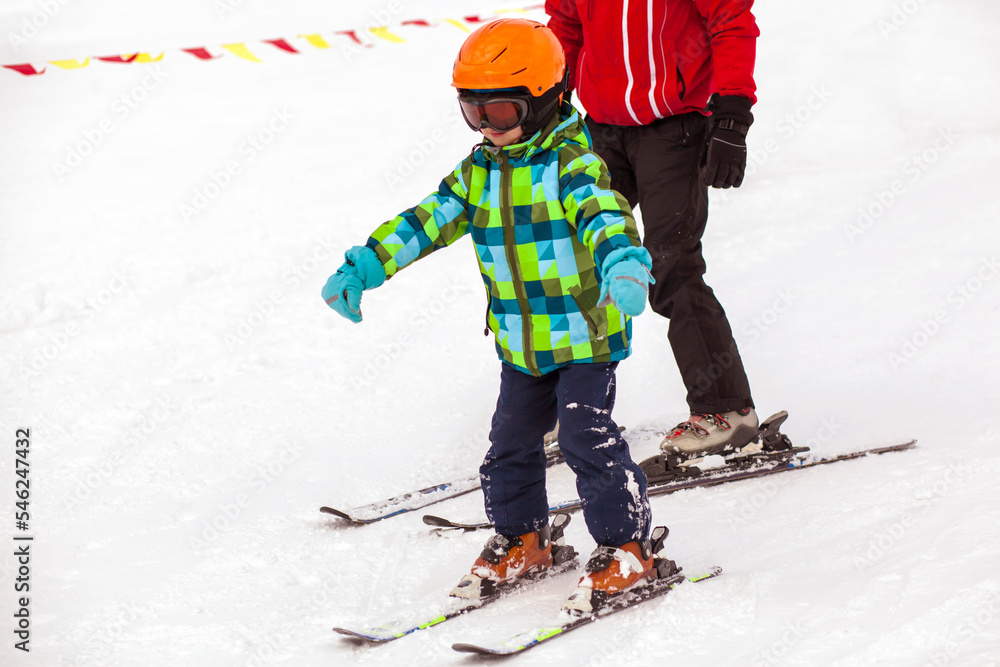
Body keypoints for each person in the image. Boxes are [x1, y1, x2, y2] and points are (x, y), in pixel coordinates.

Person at [321, 19, 666, 611]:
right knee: (509, 443)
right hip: (520, 344)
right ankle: (523, 539)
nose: (486, 126)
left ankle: (627, 548)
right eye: (473, 111)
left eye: (501, 111)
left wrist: (624, 264)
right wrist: (367, 265)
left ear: (545, 101)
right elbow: (425, 221)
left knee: (585, 437)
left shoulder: (572, 164)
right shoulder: (478, 172)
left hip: (585, 338)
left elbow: (605, 215)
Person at [545, 0, 762, 459]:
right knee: (575, 258)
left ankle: (726, 410)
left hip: (674, 129)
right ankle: (577, 406)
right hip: (602, 131)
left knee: (671, 266)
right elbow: (566, 25)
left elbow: (730, 21)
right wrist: (551, 98)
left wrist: (732, 114)